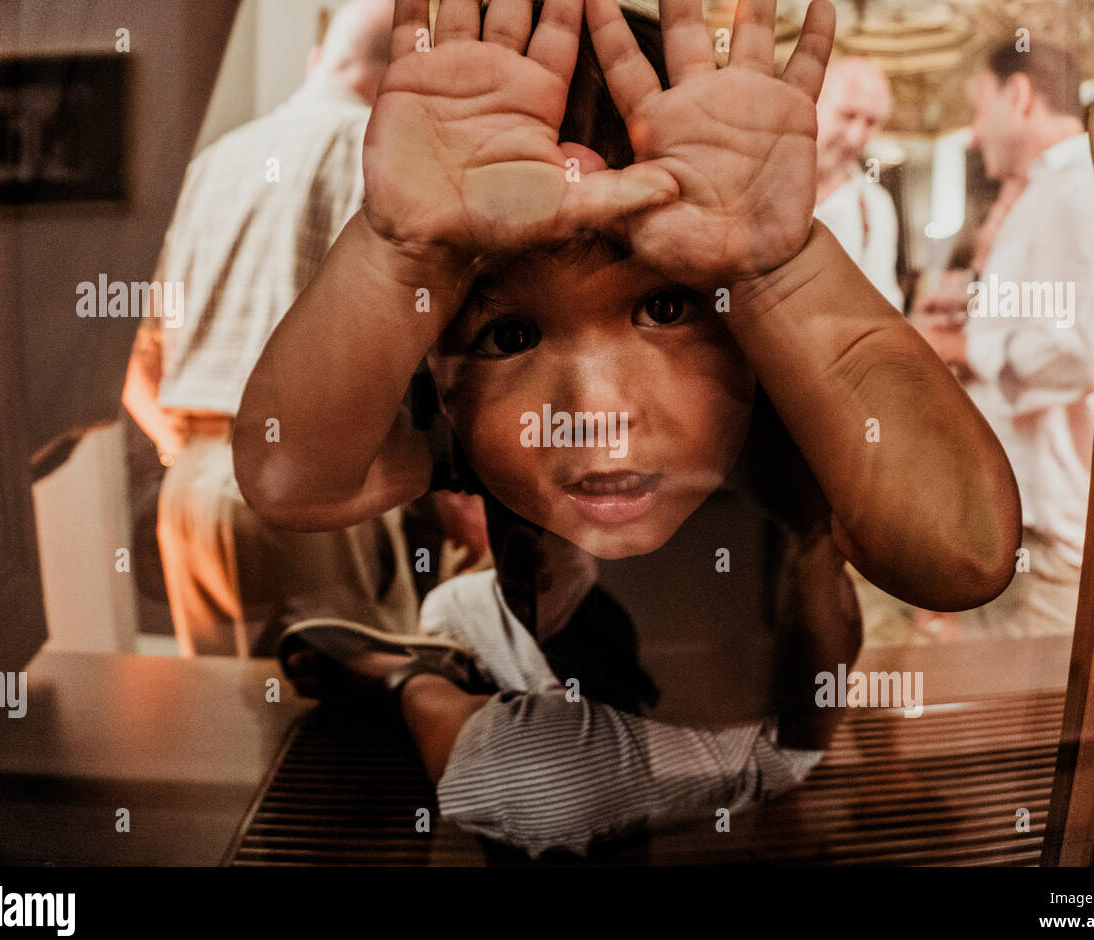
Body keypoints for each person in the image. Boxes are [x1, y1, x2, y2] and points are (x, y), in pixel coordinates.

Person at [234, 0, 1021, 857]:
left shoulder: (782, 397)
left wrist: (779, 271)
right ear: (447, 375)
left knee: (525, 785)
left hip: (739, 733)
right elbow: (290, 478)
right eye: (511, 336)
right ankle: (471, 654)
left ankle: (411, 681)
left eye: (666, 309)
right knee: (462, 602)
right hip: (554, 648)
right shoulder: (464, 410)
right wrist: (400, 252)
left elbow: (966, 555)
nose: (594, 411)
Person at [121, 0, 417, 657]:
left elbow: (136, 361)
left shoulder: (215, 163)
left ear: (318, 60)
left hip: (192, 490)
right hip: (307, 487)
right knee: (352, 703)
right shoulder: (389, 159)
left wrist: (194, 453)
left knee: (223, 709)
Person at [917, 39, 1094, 641]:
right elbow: (1048, 312)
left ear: (1019, 95)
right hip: (1017, 521)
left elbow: (1078, 348)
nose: (975, 133)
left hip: (1045, 534)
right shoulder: (1045, 190)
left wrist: (962, 349)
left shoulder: (1074, 191)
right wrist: (976, 312)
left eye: (979, 108)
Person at [812, 55, 904, 311]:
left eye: (870, 122)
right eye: (847, 115)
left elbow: (883, 306)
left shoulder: (876, 206)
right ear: (813, 103)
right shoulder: (762, 185)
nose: (855, 138)